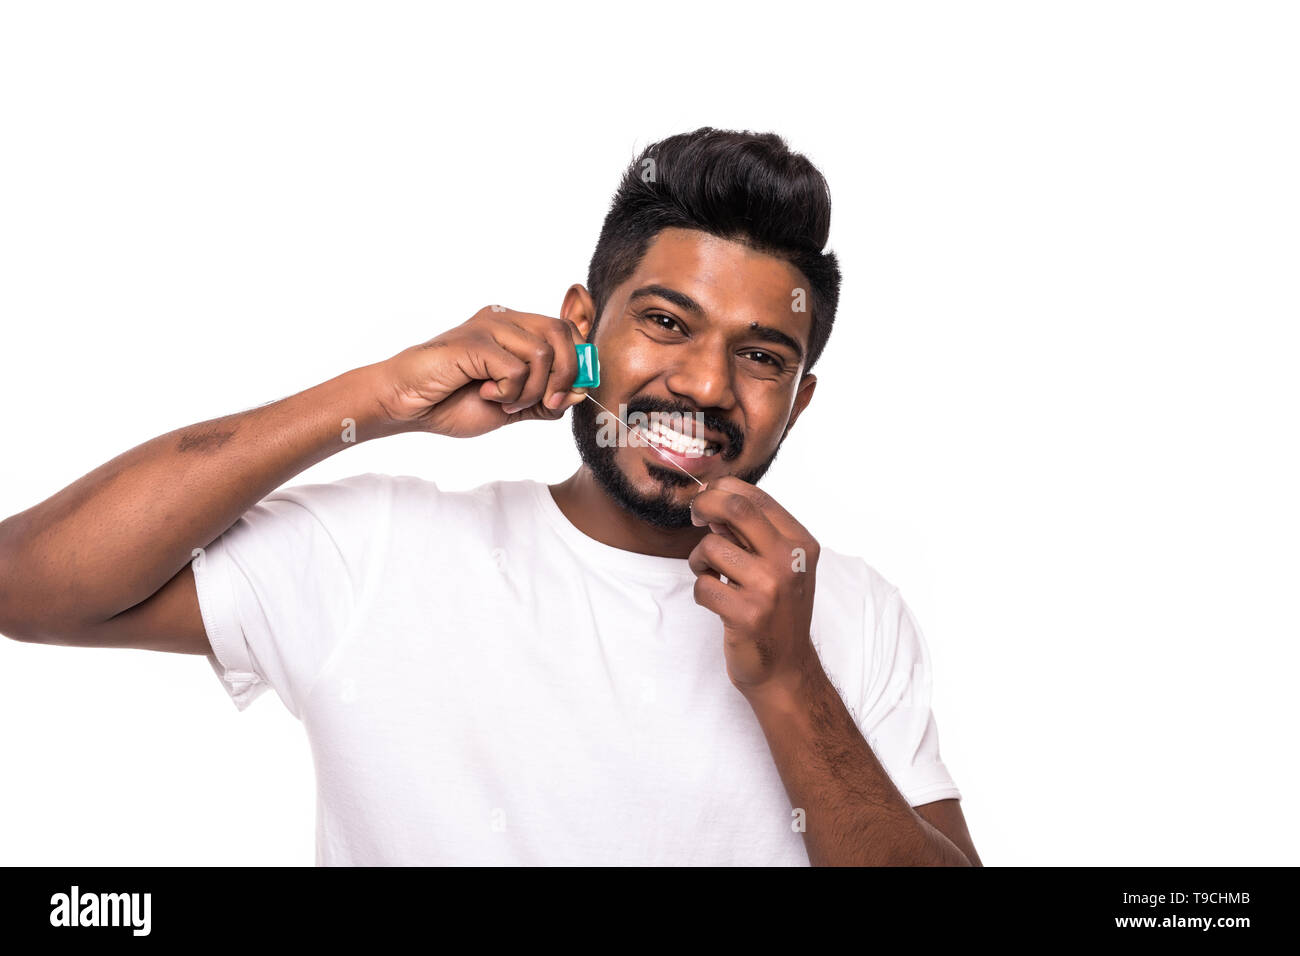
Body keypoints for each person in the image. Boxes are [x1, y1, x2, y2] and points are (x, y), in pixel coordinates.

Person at [0, 127, 981, 866]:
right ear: (581, 325)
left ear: (797, 400)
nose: (704, 384)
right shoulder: (385, 553)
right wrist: (376, 397)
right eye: (667, 322)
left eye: (760, 355)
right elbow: (27, 582)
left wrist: (787, 679)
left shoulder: (850, 616)